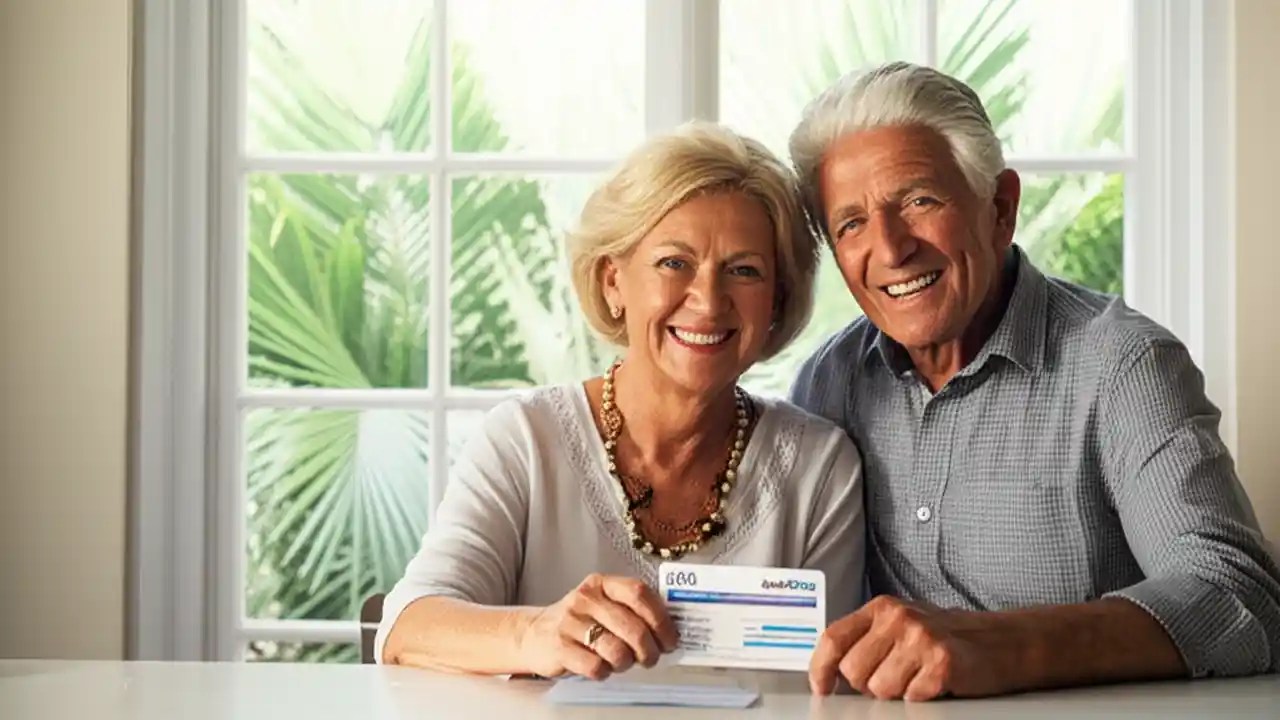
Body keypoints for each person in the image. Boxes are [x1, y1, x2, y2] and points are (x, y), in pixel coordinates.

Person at [789, 61, 1280, 701]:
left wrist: (998, 645)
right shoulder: (829, 381)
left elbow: (1238, 594)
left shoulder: (1124, 364)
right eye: (851, 223)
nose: (889, 247)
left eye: (918, 200)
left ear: (1000, 208)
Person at [377, 122, 866, 678]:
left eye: (743, 271)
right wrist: (536, 633)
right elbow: (407, 626)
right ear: (614, 281)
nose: (708, 302)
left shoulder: (820, 470)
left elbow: (826, 691)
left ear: (776, 302)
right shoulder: (524, 439)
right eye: (673, 263)